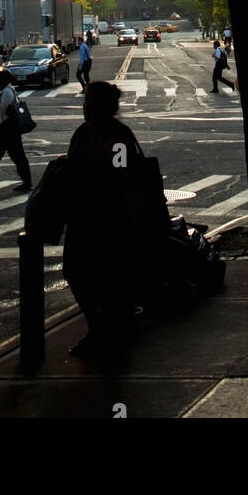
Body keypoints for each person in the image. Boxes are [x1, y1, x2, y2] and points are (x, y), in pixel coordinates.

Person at [63, 81, 151, 359]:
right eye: (85, 101)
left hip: (110, 219)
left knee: (108, 276)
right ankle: (100, 327)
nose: (85, 106)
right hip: (83, 219)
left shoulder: (117, 135)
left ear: (105, 106)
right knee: (77, 272)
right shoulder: (83, 133)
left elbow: (125, 176)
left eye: (91, 101)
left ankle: (107, 330)